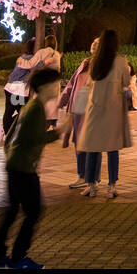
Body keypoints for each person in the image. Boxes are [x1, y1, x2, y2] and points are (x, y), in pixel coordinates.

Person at [0, 67, 61, 269]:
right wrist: (60, 132)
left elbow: (10, 136)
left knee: (11, 211)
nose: (58, 88)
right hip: (24, 168)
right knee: (34, 211)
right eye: (56, 84)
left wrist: (10, 158)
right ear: (45, 87)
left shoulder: (29, 106)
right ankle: (18, 257)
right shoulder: (37, 108)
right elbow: (37, 138)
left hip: (15, 165)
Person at [78, 29, 133, 198]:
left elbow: (88, 84)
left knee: (92, 148)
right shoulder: (121, 61)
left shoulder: (95, 61)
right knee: (112, 149)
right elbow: (127, 82)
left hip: (95, 108)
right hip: (113, 109)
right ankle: (112, 186)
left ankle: (91, 185)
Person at [59, 37, 98, 188]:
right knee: (78, 142)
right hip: (78, 106)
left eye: (98, 44)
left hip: (91, 108)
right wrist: (62, 101)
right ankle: (82, 175)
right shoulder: (85, 63)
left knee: (90, 143)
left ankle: (91, 178)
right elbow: (71, 83)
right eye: (93, 43)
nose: (94, 45)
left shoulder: (102, 65)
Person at [2, 35, 54, 144]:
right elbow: (31, 67)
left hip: (14, 88)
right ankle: (8, 133)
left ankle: (8, 134)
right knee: (21, 113)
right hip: (16, 88)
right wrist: (45, 62)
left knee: (13, 112)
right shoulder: (27, 58)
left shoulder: (24, 57)